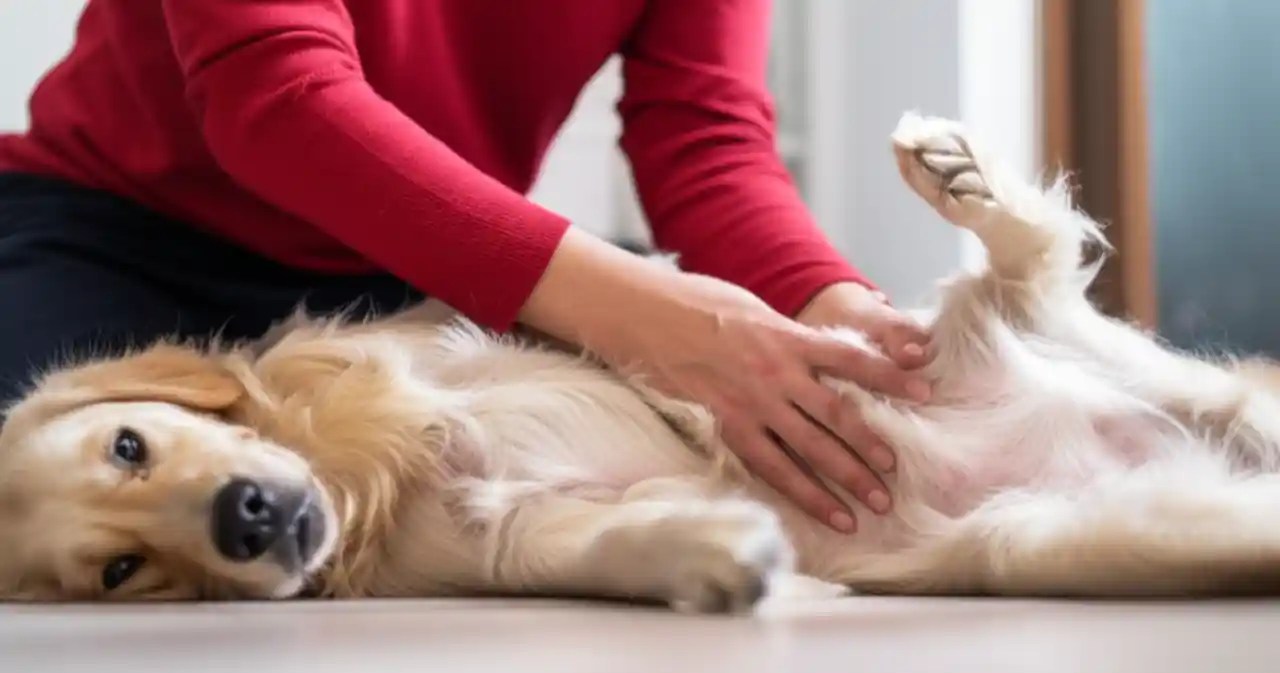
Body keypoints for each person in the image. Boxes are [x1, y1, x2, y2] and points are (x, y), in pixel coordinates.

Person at [0, 1, 931, 533]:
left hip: (416, 270)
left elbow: (707, 138)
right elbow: (279, 95)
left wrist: (840, 320)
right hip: (114, 235)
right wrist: (649, 316)